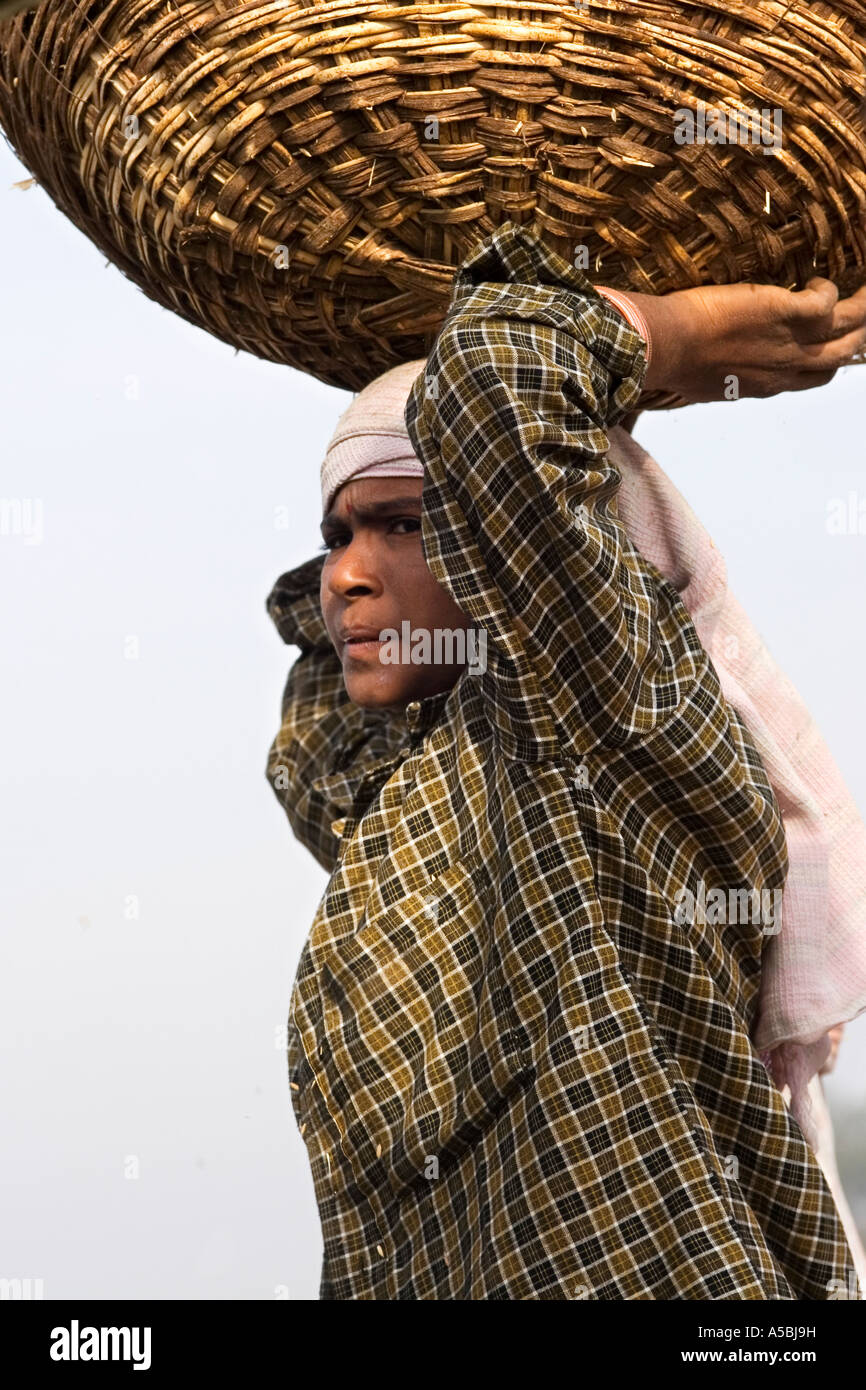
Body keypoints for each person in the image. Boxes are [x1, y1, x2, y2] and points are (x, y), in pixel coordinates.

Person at [265, 220, 866, 1299]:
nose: (342, 574)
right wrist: (390, 384)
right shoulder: (397, 803)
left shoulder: (604, 717)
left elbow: (499, 382)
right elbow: (314, 720)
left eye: (399, 524)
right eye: (336, 533)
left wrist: (677, 334)